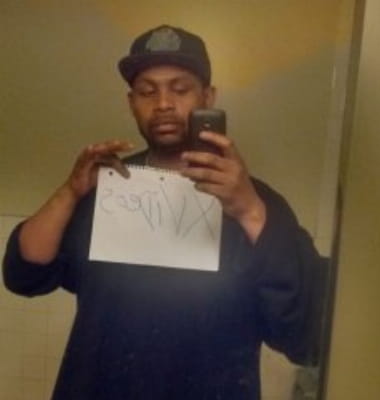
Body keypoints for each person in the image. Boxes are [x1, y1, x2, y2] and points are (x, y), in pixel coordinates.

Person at [3, 25, 327, 400]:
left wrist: (251, 211)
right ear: (131, 103)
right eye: (147, 91)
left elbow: (306, 336)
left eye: (180, 88)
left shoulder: (255, 203)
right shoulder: (108, 192)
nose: (163, 104)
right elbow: (24, 274)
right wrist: (70, 192)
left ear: (208, 97)